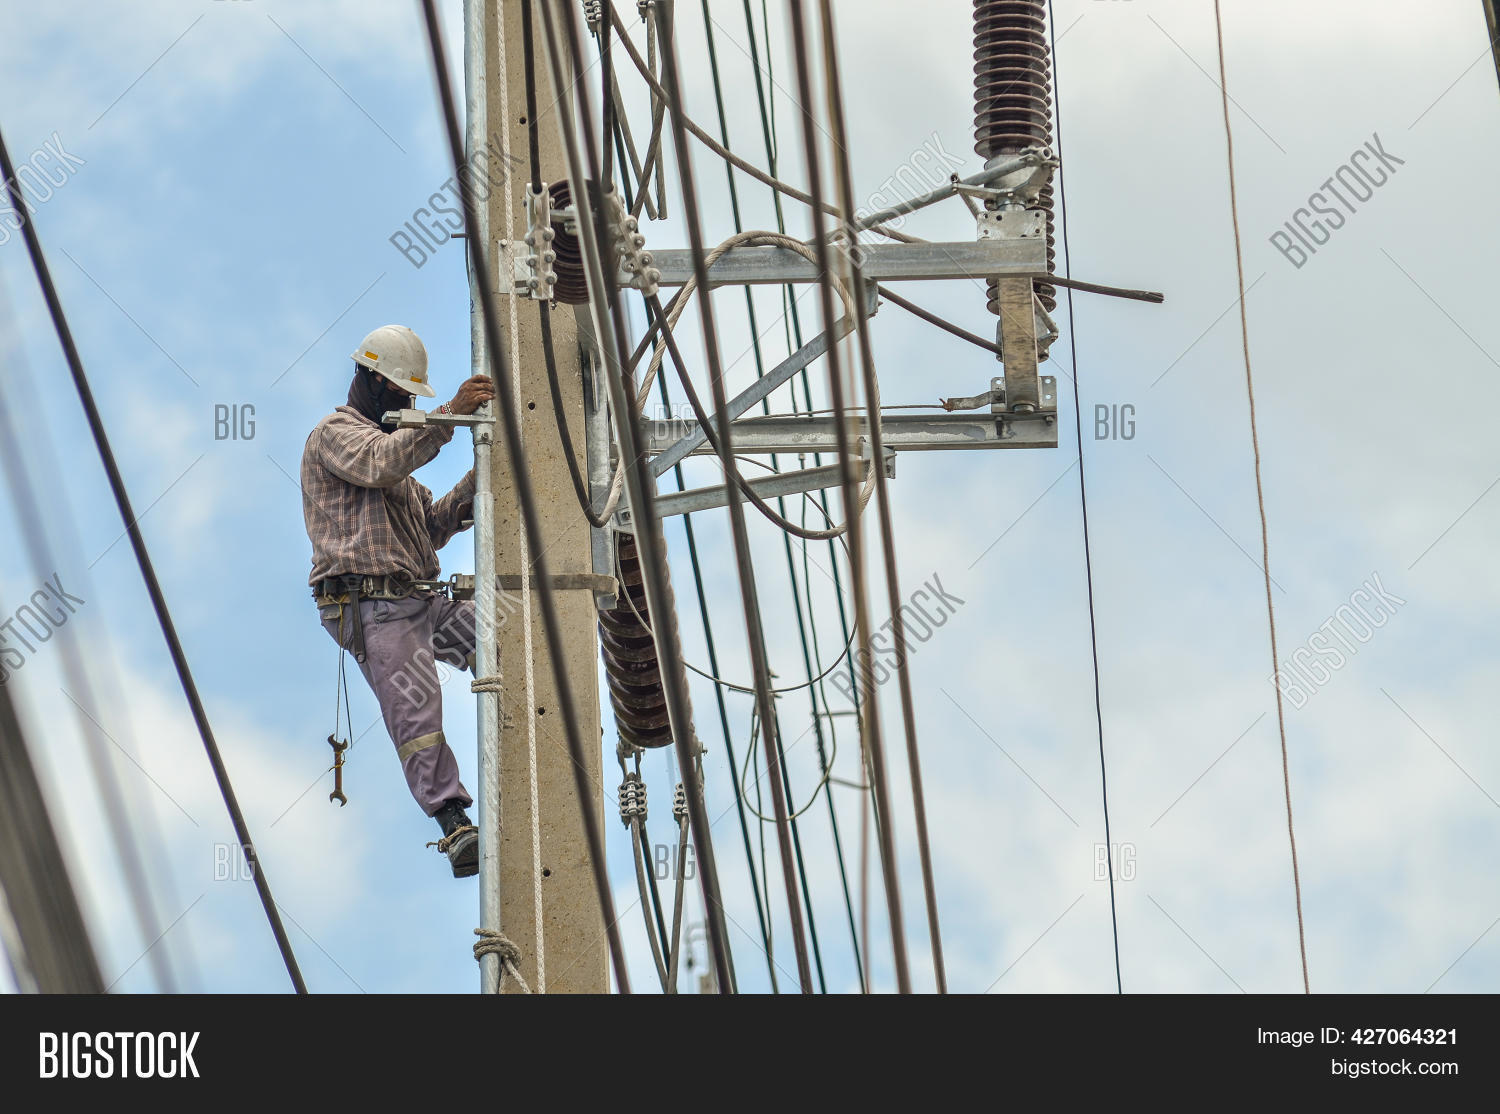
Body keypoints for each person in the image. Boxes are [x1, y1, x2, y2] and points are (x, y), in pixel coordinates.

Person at [300, 323, 495, 877]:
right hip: (373, 605)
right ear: (369, 380)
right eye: (403, 392)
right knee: (417, 709)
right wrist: (450, 417)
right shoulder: (337, 434)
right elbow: (382, 462)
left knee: (504, 638)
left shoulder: (396, 452)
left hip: (418, 598)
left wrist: (484, 478)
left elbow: (431, 525)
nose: (409, 402)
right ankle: (453, 821)